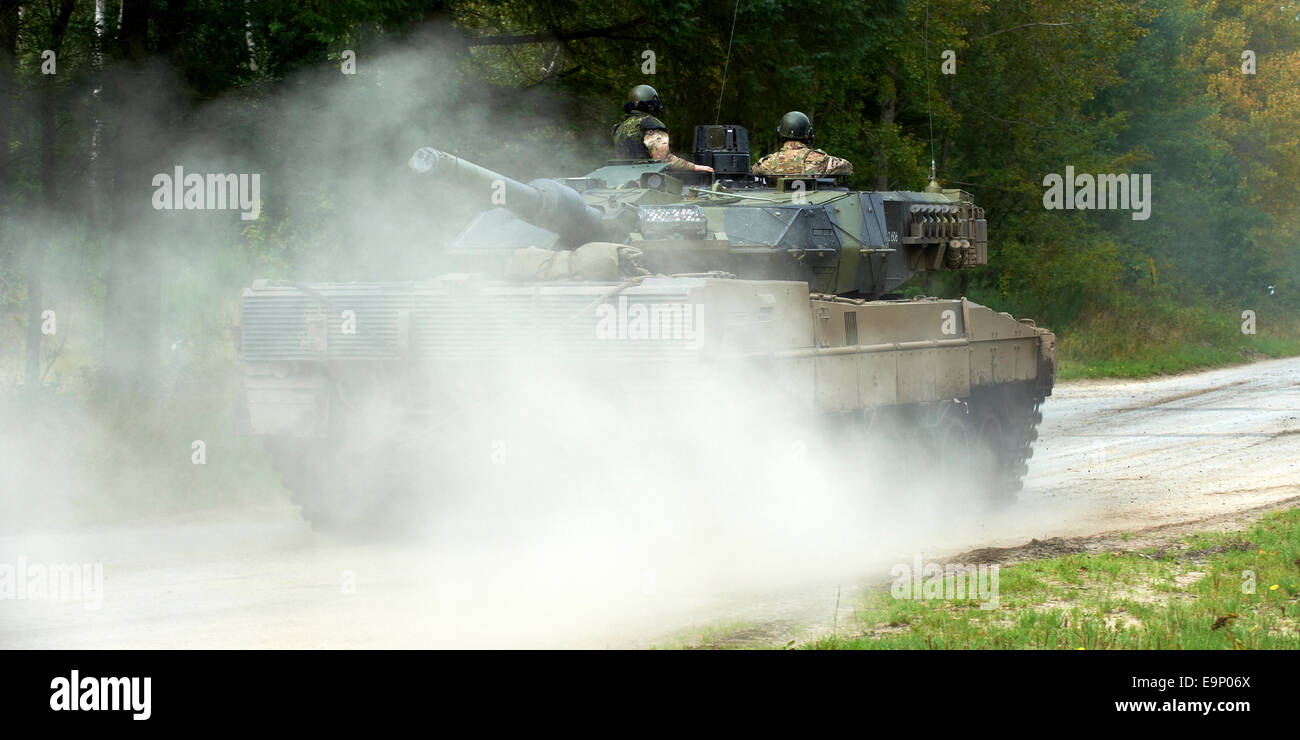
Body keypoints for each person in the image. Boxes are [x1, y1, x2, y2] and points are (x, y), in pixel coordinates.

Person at [612, 84, 713, 173]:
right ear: (652, 104)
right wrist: (695, 167)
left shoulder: (621, 126)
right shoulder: (650, 123)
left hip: (622, 179)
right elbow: (664, 158)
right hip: (647, 180)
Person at [751, 111, 853, 176]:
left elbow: (755, 170)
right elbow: (848, 167)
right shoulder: (821, 160)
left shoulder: (768, 163)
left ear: (779, 133)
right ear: (809, 133)